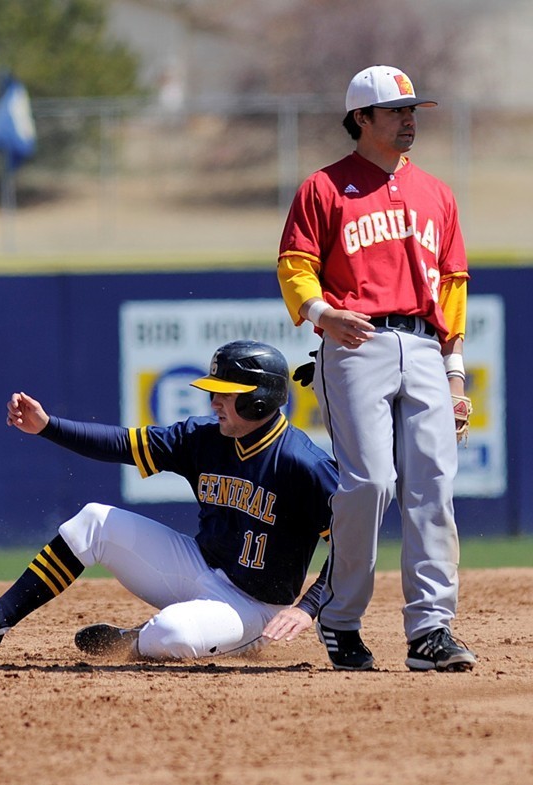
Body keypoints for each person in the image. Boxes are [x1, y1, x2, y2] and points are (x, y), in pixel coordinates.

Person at [0, 341, 338, 662]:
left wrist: (308, 608)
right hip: (195, 567)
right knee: (95, 522)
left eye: (225, 394)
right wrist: (48, 426)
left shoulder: (304, 464)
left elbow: (353, 548)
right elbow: (122, 443)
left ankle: (138, 639)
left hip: (254, 605)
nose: (213, 402)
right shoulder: (204, 438)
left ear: (258, 399)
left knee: (171, 636)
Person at [276, 65, 476, 672]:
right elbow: (294, 263)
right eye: (396, 111)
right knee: (369, 484)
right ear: (361, 118)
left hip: (422, 346)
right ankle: (338, 618)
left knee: (434, 483)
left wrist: (455, 373)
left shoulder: (437, 193)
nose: (410, 120)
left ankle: (430, 631)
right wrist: (320, 314)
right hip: (354, 341)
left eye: (414, 110)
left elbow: (452, 288)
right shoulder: (324, 187)